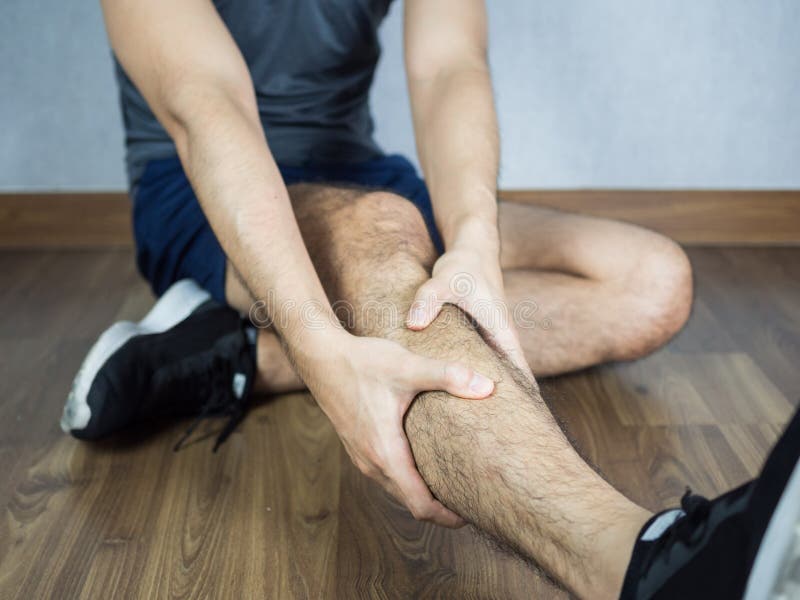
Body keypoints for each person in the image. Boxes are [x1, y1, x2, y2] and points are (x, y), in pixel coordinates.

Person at [60, 0, 799, 597]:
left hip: (366, 174)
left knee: (652, 281)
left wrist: (473, 241)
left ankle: (242, 354)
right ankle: (647, 562)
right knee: (389, 231)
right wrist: (324, 352)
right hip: (198, 187)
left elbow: (449, 66)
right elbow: (206, 104)